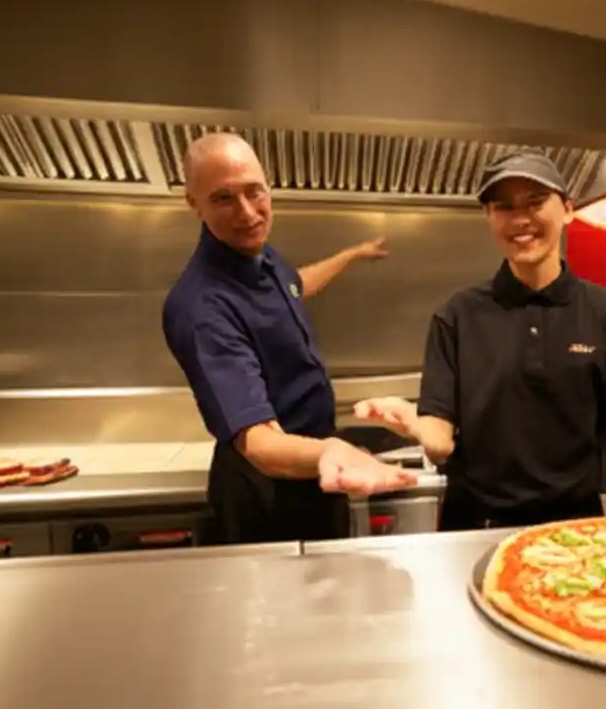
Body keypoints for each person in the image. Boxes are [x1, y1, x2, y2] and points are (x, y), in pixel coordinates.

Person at [355, 149, 606, 531]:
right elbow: (439, 441)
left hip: (574, 528)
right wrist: (411, 422)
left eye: (535, 202)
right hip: (474, 525)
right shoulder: (457, 316)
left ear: (568, 209)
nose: (520, 219)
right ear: (489, 216)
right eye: (504, 206)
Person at [162, 132, 416, 544]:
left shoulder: (258, 255)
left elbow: (294, 285)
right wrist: (333, 450)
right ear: (193, 203)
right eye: (223, 198)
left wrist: (350, 255)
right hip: (268, 496)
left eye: (254, 191)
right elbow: (259, 444)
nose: (247, 213)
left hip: (312, 471)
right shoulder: (202, 307)